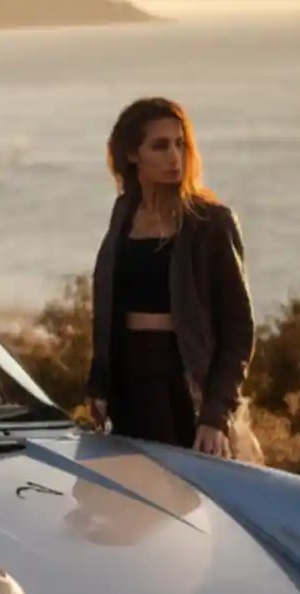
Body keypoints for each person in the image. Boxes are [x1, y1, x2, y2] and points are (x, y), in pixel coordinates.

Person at [85, 97, 256, 458]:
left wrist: (216, 414)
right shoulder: (124, 212)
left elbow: (238, 331)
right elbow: (107, 301)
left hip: (183, 382)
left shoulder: (211, 222)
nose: (174, 157)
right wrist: (99, 382)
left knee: (188, 501)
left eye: (180, 144)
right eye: (160, 146)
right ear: (132, 155)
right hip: (129, 380)